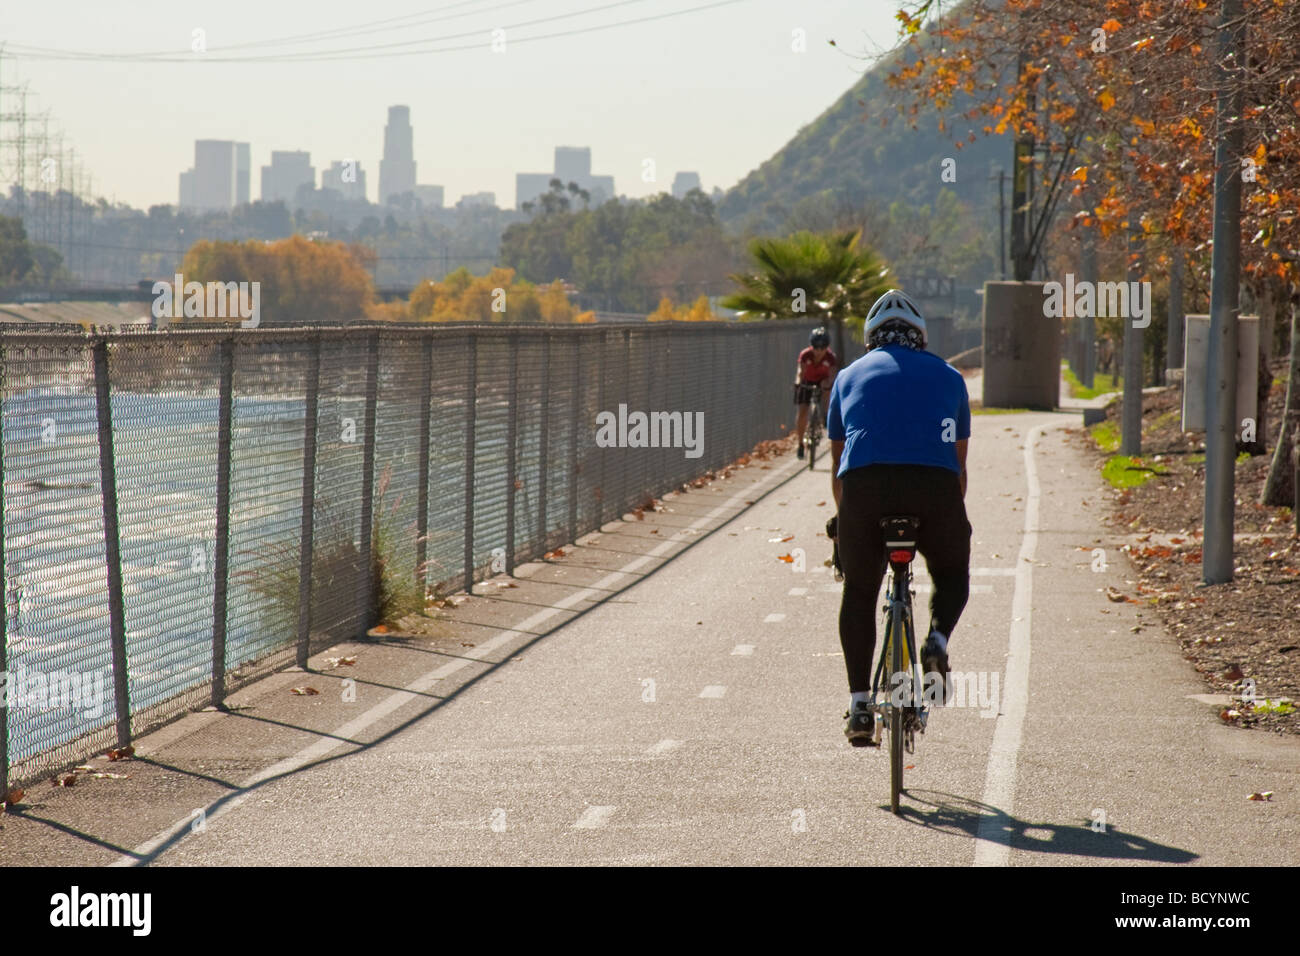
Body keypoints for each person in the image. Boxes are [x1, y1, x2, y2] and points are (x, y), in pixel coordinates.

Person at [824, 289, 971, 745]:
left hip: (866, 490)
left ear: (870, 339)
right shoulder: (950, 377)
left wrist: (842, 523)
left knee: (860, 589)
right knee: (950, 573)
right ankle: (938, 641)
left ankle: (859, 705)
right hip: (934, 489)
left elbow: (838, 468)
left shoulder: (847, 377)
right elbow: (958, 469)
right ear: (920, 337)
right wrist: (949, 519)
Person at [794, 327, 838, 459]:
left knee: (826, 392)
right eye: (816, 347)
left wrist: (829, 383)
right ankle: (800, 444)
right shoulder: (805, 354)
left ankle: (825, 416)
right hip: (807, 381)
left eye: (822, 348)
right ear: (811, 346)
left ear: (827, 347)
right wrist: (798, 383)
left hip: (822, 381)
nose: (818, 351)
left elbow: (832, 374)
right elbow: (800, 372)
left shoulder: (831, 357)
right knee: (802, 411)